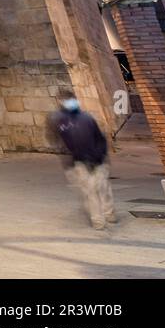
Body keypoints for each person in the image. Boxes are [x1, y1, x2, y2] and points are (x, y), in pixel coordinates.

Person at [47, 94, 116, 230]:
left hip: (97, 159)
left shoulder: (87, 118)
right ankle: (98, 221)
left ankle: (109, 213)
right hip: (80, 161)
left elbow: (99, 137)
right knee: (90, 191)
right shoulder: (61, 121)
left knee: (102, 188)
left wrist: (101, 154)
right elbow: (60, 142)